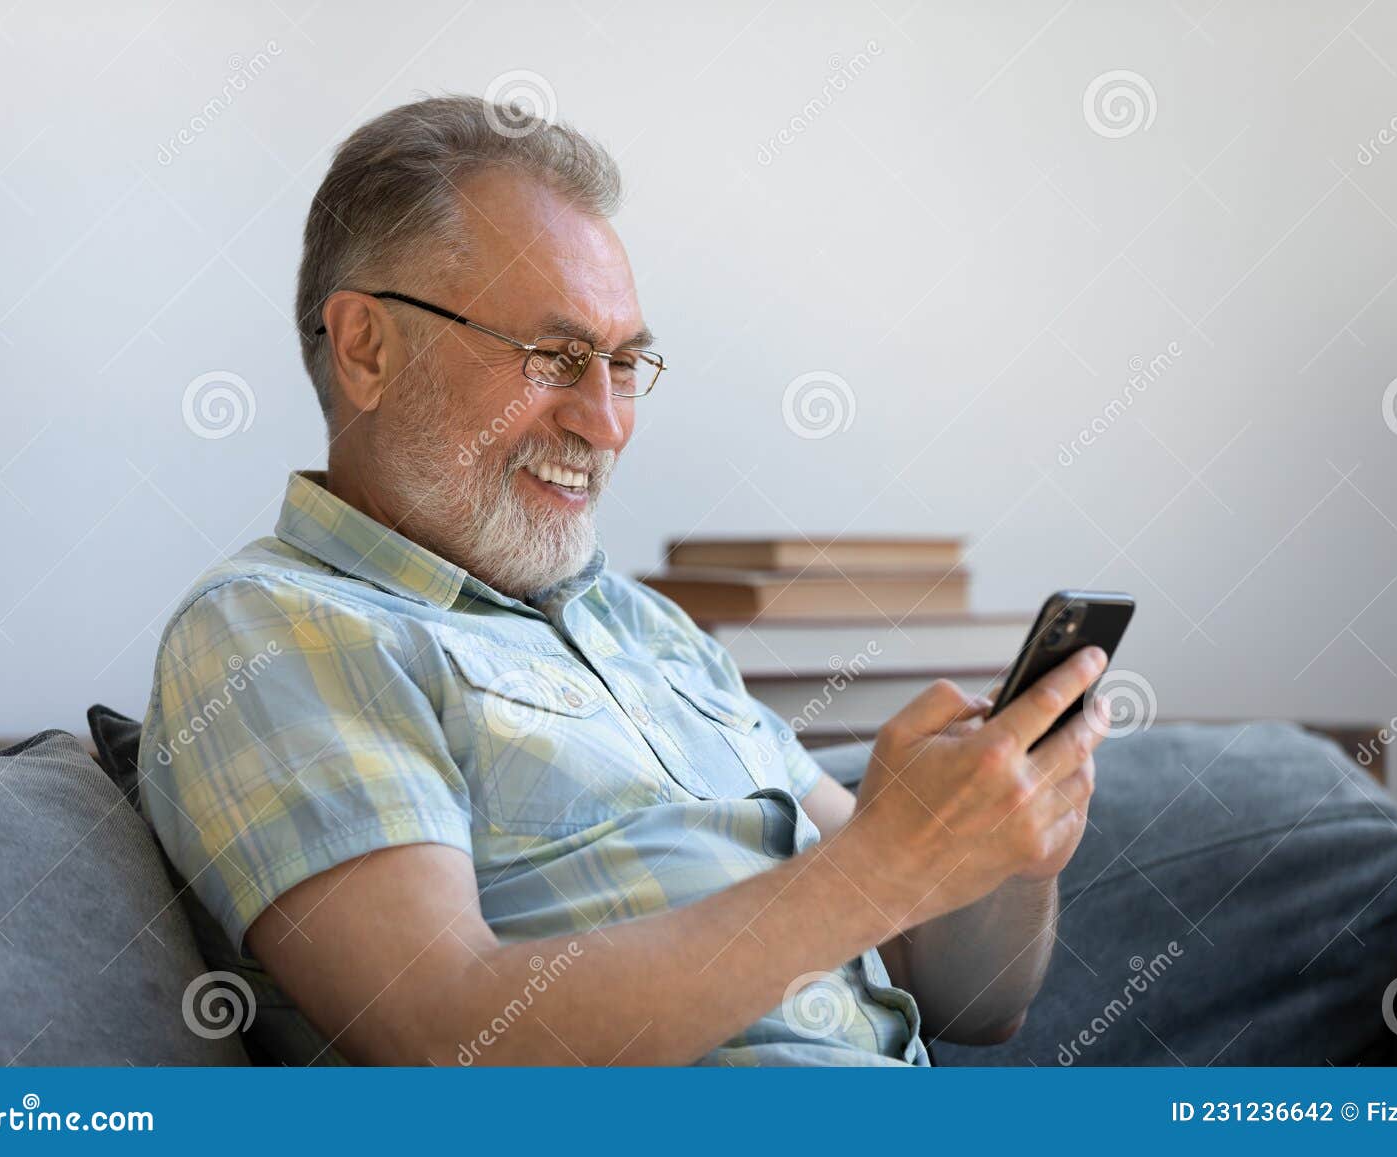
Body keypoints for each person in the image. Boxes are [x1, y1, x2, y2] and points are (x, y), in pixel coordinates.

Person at [138, 94, 1110, 1066]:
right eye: (555, 357)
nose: (605, 423)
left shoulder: (647, 628)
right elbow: (444, 1032)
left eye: (625, 363)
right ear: (367, 348)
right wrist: (880, 866)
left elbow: (968, 1000)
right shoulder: (276, 627)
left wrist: (1010, 845)